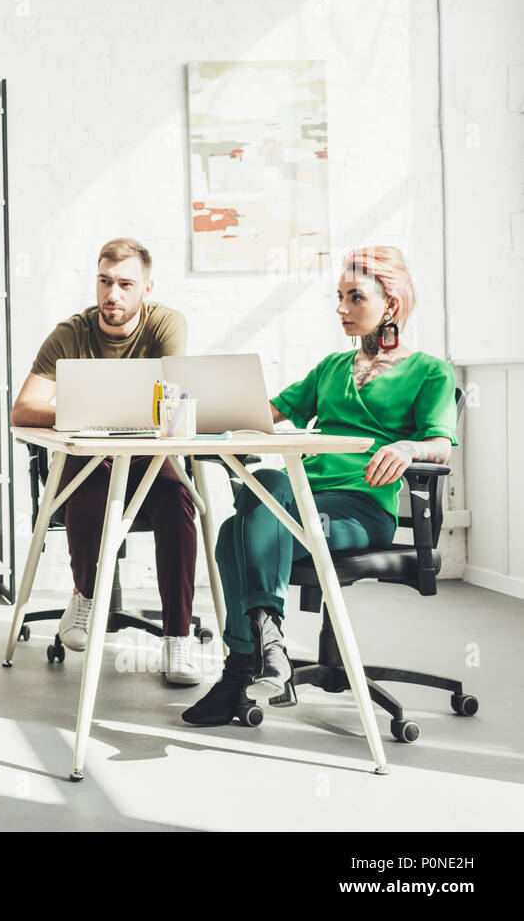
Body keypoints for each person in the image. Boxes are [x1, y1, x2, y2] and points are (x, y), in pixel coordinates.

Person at [183, 246, 458, 725]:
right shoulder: (332, 368)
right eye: (339, 297)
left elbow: (441, 443)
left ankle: (240, 670)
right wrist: (188, 417)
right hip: (298, 500)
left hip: (359, 511)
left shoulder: (429, 371)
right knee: (262, 490)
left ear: (390, 304)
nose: (341, 308)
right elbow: (262, 413)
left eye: (355, 297)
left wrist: (408, 449)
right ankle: (267, 647)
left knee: (237, 529)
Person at [11, 238, 201, 684]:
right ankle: (85, 593)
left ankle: (177, 638)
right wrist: (80, 410)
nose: (112, 295)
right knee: (88, 493)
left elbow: (175, 402)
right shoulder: (70, 334)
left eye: (124, 284)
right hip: (93, 458)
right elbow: (23, 409)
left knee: (178, 502)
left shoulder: (166, 325)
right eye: (104, 281)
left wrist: (111, 411)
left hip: (148, 459)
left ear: (146, 288)